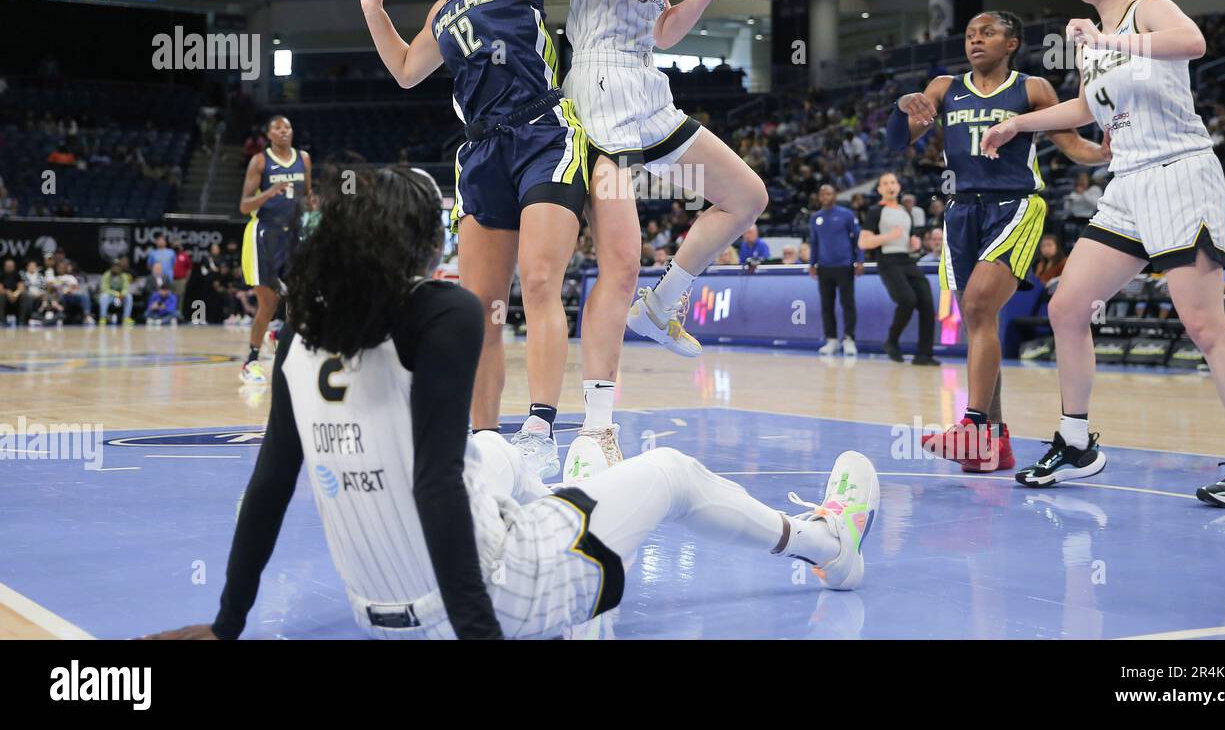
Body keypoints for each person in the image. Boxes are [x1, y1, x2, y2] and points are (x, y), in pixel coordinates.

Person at [144, 166, 879, 641]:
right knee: (675, 473)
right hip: (488, 607)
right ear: (420, 251)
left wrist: (224, 627)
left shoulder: (300, 339)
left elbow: (269, 488)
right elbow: (432, 483)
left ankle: (581, 541)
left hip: (377, 611)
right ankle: (828, 548)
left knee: (493, 448)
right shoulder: (445, 313)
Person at [980, 0, 1225, 506]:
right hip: (1129, 185)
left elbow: (1192, 42)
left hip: (1180, 173)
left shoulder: (1148, 9)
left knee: (1202, 325)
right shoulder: (1094, 47)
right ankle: (1075, 443)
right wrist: (1019, 123)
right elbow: (1085, 108)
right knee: (1067, 307)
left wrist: (1108, 41)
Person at [358, 0, 598, 479]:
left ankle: (541, 425)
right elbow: (405, 70)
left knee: (540, 282)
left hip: (544, 133)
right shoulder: (440, 12)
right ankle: (486, 441)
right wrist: (374, 9)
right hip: (483, 154)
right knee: (479, 307)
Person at [564, 0, 768, 471]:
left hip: (646, 86)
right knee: (618, 264)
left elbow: (664, 32)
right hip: (596, 93)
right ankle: (596, 428)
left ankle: (665, 303)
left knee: (746, 196)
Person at [889, 10, 1110, 472]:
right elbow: (897, 142)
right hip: (962, 211)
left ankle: (972, 424)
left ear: (1012, 43)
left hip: (1017, 205)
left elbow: (1074, 148)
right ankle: (993, 441)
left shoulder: (1032, 89)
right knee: (979, 324)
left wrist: (1108, 149)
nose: (975, 40)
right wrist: (903, 106)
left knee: (977, 309)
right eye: (970, 34)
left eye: (987, 33)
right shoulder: (944, 87)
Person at [238, 116, 313, 384]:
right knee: (268, 303)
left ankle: (288, 349)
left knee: (297, 298)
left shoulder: (303, 158)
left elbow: (307, 197)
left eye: (288, 128)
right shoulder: (260, 161)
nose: (284, 132)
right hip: (264, 236)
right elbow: (245, 206)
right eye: (278, 128)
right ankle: (251, 361)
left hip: (293, 234)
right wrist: (269, 193)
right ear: (269, 134)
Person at [859, 173, 935, 365]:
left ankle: (924, 354)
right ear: (879, 190)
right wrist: (888, 236)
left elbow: (906, 241)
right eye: (885, 183)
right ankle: (891, 342)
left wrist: (913, 244)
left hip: (907, 260)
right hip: (887, 261)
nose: (890, 186)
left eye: (893, 182)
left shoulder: (905, 212)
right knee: (907, 300)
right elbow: (863, 242)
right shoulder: (876, 211)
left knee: (926, 302)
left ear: (899, 187)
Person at [808, 184, 862, 355]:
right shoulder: (816, 217)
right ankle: (831, 340)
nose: (825, 196)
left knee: (847, 304)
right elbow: (814, 242)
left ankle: (849, 339)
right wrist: (812, 263)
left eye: (828, 193)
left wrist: (859, 260)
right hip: (824, 268)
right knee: (827, 305)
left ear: (835, 195)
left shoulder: (846, 214)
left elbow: (858, 239)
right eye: (822, 194)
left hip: (844, 266)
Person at [98, 259, 134, 325]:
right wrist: (116, 293)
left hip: (121, 297)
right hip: (110, 297)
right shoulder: (106, 275)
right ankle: (103, 318)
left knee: (129, 296)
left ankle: (126, 318)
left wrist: (122, 294)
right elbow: (105, 289)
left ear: (120, 267)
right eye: (114, 266)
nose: (116, 268)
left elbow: (125, 288)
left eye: (117, 266)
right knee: (103, 296)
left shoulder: (124, 276)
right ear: (111, 267)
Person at [2, 258, 30, 326]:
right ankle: (2, 321)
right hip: (5, 298)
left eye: (11, 266)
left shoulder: (17, 275)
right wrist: (7, 292)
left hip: (16, 298)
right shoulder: (1, 275)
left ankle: (21, 321)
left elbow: (21, 287)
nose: (9, 268)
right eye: (8, 266)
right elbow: (0, 288)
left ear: (14, 267)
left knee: (25, 295)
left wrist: (16, 294)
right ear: (4, 267)